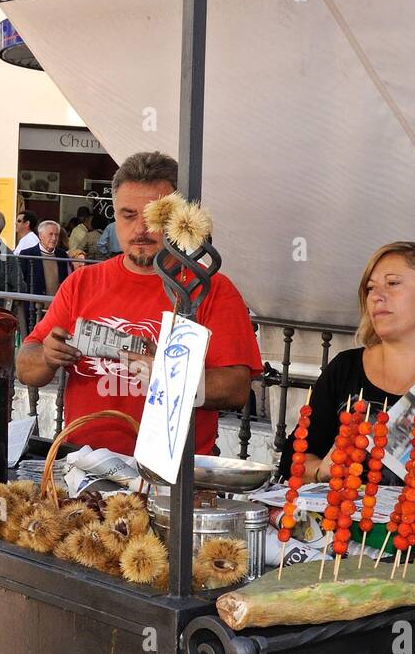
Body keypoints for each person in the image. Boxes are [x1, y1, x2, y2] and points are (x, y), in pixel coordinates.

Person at [17, 151, 262, 456]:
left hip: (175, 478)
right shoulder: (83, 283)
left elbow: (235, 389)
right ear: (115, 215)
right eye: (128, 215)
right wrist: (49, 356)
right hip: (85, 468)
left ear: (177, 218)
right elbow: (26, 367)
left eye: (153, 218)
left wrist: (162, 372)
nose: (140, 230)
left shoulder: (209, 288)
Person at [279, 242, 415, 482]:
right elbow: (293, 460)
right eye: (370, 288)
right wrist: (323, 470)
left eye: (393, 283)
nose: (376, 296)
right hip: (345, 517)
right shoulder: (346, 368)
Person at [14, 211, 45, 332]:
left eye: (19, 221)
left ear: (27, 223)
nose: (16, 224)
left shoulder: (30, 240)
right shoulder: (25, 240)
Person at [35, 219, 71, 298]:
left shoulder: (62, 255)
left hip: (57, 304)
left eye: (56, 235)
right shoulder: (27, 254)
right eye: (50, 234)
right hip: (35, 305)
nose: (54, 238)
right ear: (40, 235)